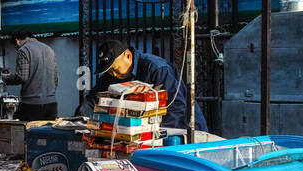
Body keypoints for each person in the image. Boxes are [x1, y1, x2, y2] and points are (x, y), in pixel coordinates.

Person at [78, 38, 207, 131]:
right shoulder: (112, 76)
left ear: (128, 56)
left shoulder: (157, 69)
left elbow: (176, 106)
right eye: (110, 71)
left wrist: (151, 131)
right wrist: (79, 120)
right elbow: (93, 100)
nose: (114, 74)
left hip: (183, 131)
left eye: (116, 69)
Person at [0, 32, 59, 121]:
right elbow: (55, 79)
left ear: (17, 41)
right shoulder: (49, 49)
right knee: (47, 133)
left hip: (32, 105)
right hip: (51, 104)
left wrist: (4, 78)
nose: (17, 49)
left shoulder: (24, 50)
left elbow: (22, 77)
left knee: (28, 132)